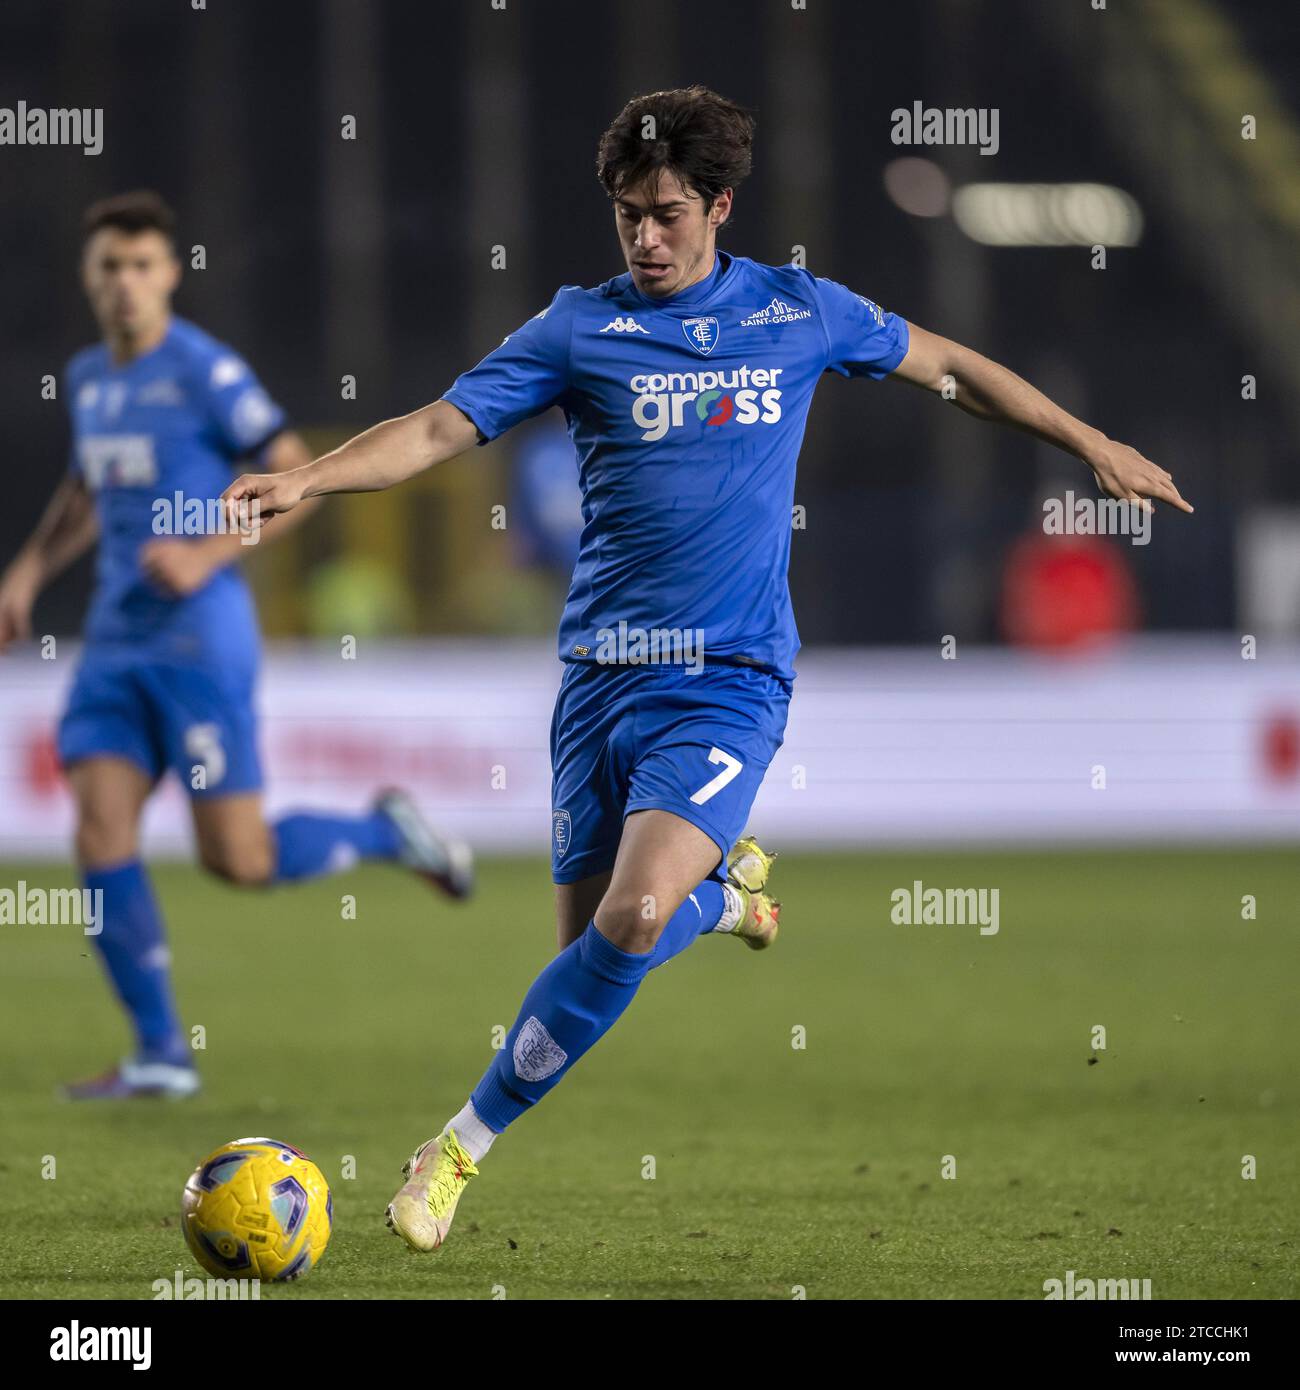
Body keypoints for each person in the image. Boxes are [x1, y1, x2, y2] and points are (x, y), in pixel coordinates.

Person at [220, 87, 1191, 1250]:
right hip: (596, 682)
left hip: (728, 677)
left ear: (719, 205)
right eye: (628, 214)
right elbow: (437, 427)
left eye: (667, 212)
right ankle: (726, 899)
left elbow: (954, 370)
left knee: (631, 917)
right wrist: (307, 480)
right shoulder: (580, 328)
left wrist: (1091, 445)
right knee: (590, 957)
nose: (644, 236)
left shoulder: (798, 312)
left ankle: (453, 1151)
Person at [0, 191, 472, 1101]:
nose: (127, 284)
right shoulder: (91, 377)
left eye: (143, 267)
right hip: (113, 646)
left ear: (170, 274)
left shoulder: (206, 372)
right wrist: (25, 572)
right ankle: (160, 1054)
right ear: (90, 280)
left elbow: (295, 476)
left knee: (238, 860)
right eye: (110, 268)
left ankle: (385, 833)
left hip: (199, 645)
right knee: (98, 832)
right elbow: (88, 492)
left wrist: (209, 550)